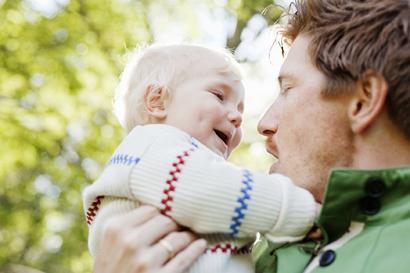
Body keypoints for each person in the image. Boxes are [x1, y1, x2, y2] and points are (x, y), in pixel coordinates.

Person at [92, 0, 410, 272]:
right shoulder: (271, 249)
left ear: (363, 100)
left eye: (288, 89)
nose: (262, 125)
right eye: (218, 96)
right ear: (156, 100)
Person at [83, 44, 318, 273]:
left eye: (240, 109)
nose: (236, 116)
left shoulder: (179, 164)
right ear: (157, 100)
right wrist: (299, 210)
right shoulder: (152, 145)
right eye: (219, 96)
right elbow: (217, 190)